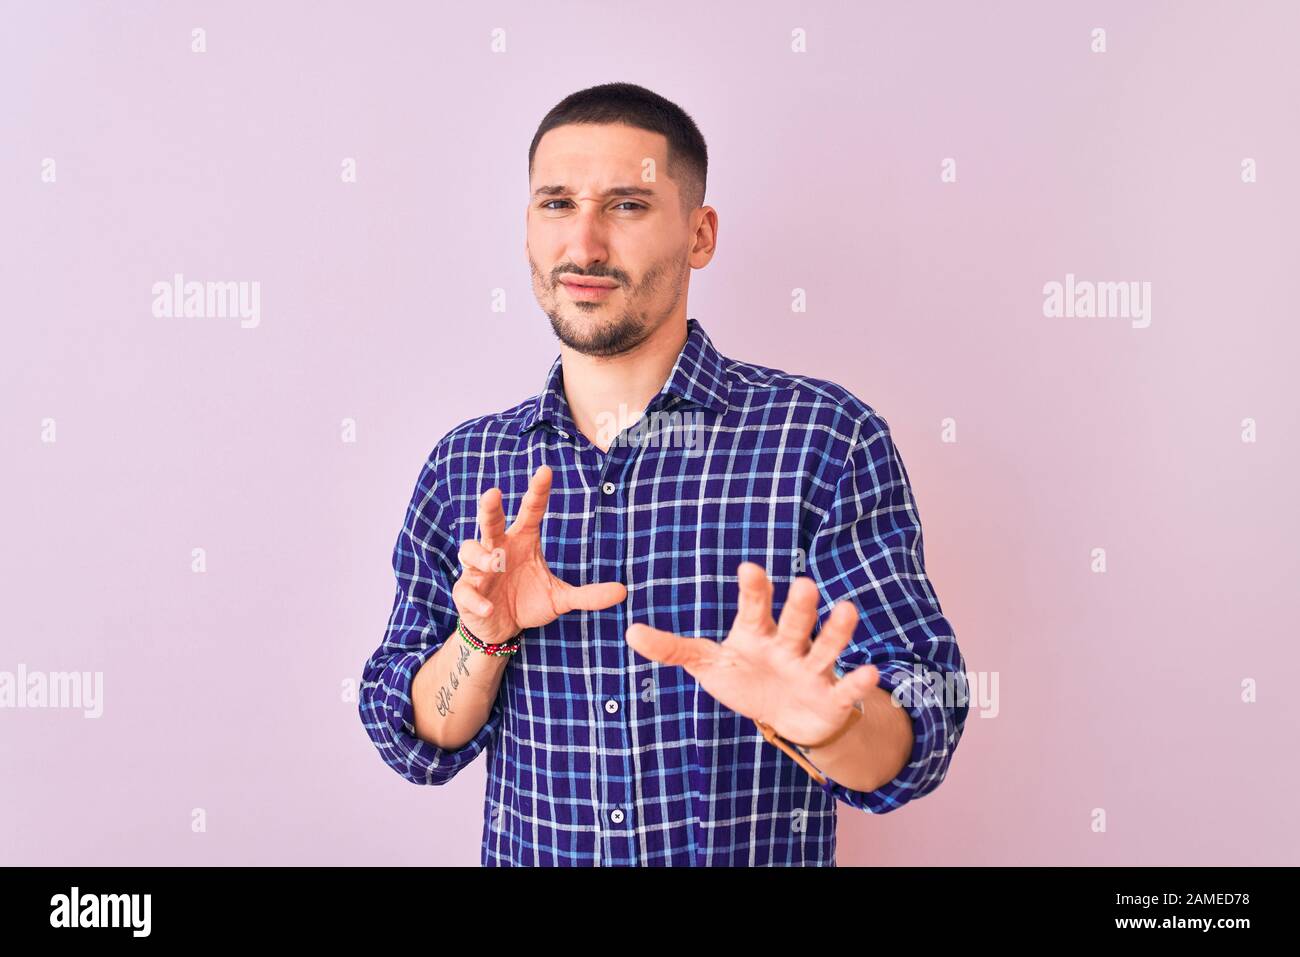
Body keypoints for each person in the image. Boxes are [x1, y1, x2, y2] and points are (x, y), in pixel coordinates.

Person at [358, 81, 967, 866]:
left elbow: (925, 717)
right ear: (527, 231)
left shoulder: (825, 439)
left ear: (700, 234)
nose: (584, 245)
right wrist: (481, 640)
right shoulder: (467, 465)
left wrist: (830, 723)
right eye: (556, 204)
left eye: (627, 205)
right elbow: (412, 732)